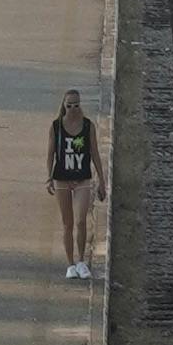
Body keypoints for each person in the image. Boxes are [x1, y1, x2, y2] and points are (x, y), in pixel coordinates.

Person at [47, 93, 105, 280]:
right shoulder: (56, 127)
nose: (73, 109)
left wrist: (102, 180)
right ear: (64, 105)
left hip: (82, 178)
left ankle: (81, 261)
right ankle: (70, 263)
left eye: (76, 105)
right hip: (62, 178)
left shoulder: (88, 126)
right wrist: (49, 178)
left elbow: (94, 153)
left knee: (81, 221)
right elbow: (50, 155)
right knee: (68, 223)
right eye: (70, 105)